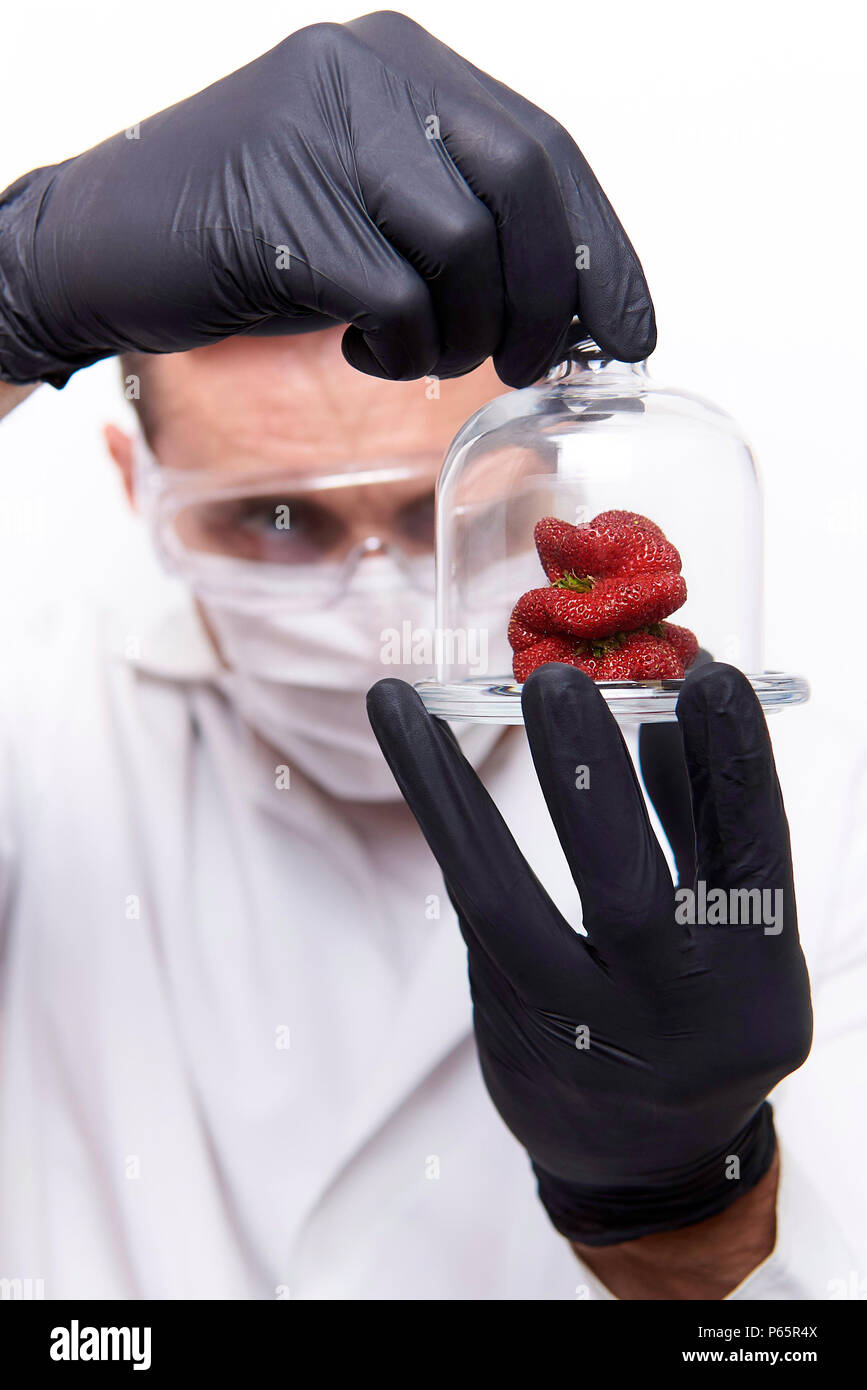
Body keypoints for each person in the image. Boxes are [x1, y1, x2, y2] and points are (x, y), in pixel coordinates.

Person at [0, 13, 864, 1301]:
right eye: (272, 521)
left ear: (543, 477)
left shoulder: (808, 815)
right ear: (138, 486)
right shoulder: (40, 731)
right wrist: (13, 290)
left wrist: (679, 1206)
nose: (375, 602)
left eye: (435, 511)